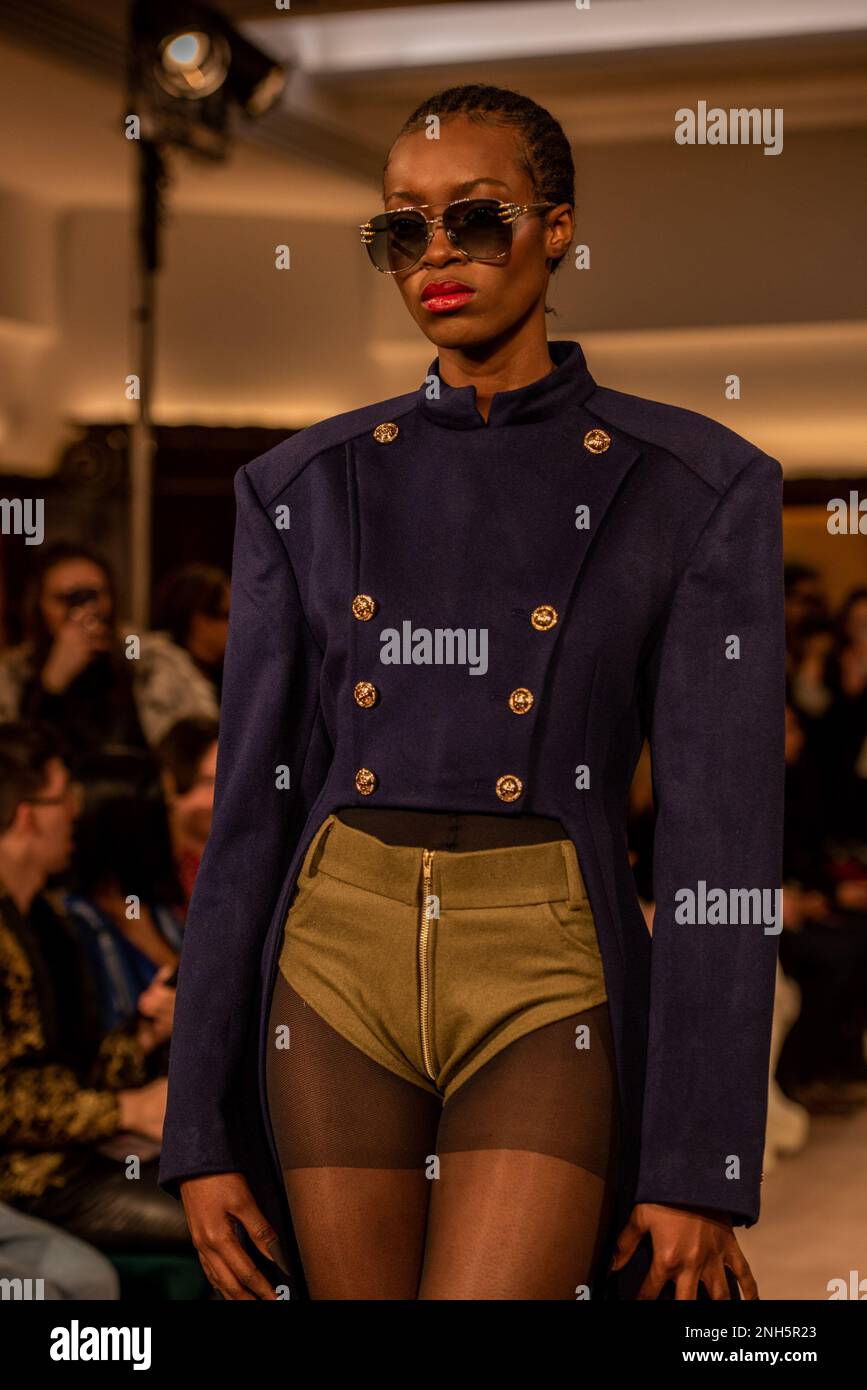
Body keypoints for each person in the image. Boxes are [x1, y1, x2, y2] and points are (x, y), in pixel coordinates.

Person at [159, 84, 785, 1301]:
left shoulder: (694, 486)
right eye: (404, 229)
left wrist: (701, 1163)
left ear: (557, 228)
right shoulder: (300, 484)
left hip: (547, 956)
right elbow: (247, 815)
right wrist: (199, 1128)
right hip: (334, 952)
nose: (437, 255)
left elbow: (723, 843)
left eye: (478, 219)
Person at [0, 721, 190, 1255]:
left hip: (79, 1155)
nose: (78, 811)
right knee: (230, 1232)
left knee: (237, 1189)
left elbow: (73, 1067)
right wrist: (127, 1110)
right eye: (66, 797)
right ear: (28, 814)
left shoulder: (46, 917)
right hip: (30, 1180)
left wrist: (144, 1036)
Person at [0, 542, 219, 765]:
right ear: (39, 606)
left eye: (93, 596)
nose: (86, 611)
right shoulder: (14, 676)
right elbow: (17, 770)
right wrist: (51, 684)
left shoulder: (144, 658)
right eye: (68, 598)